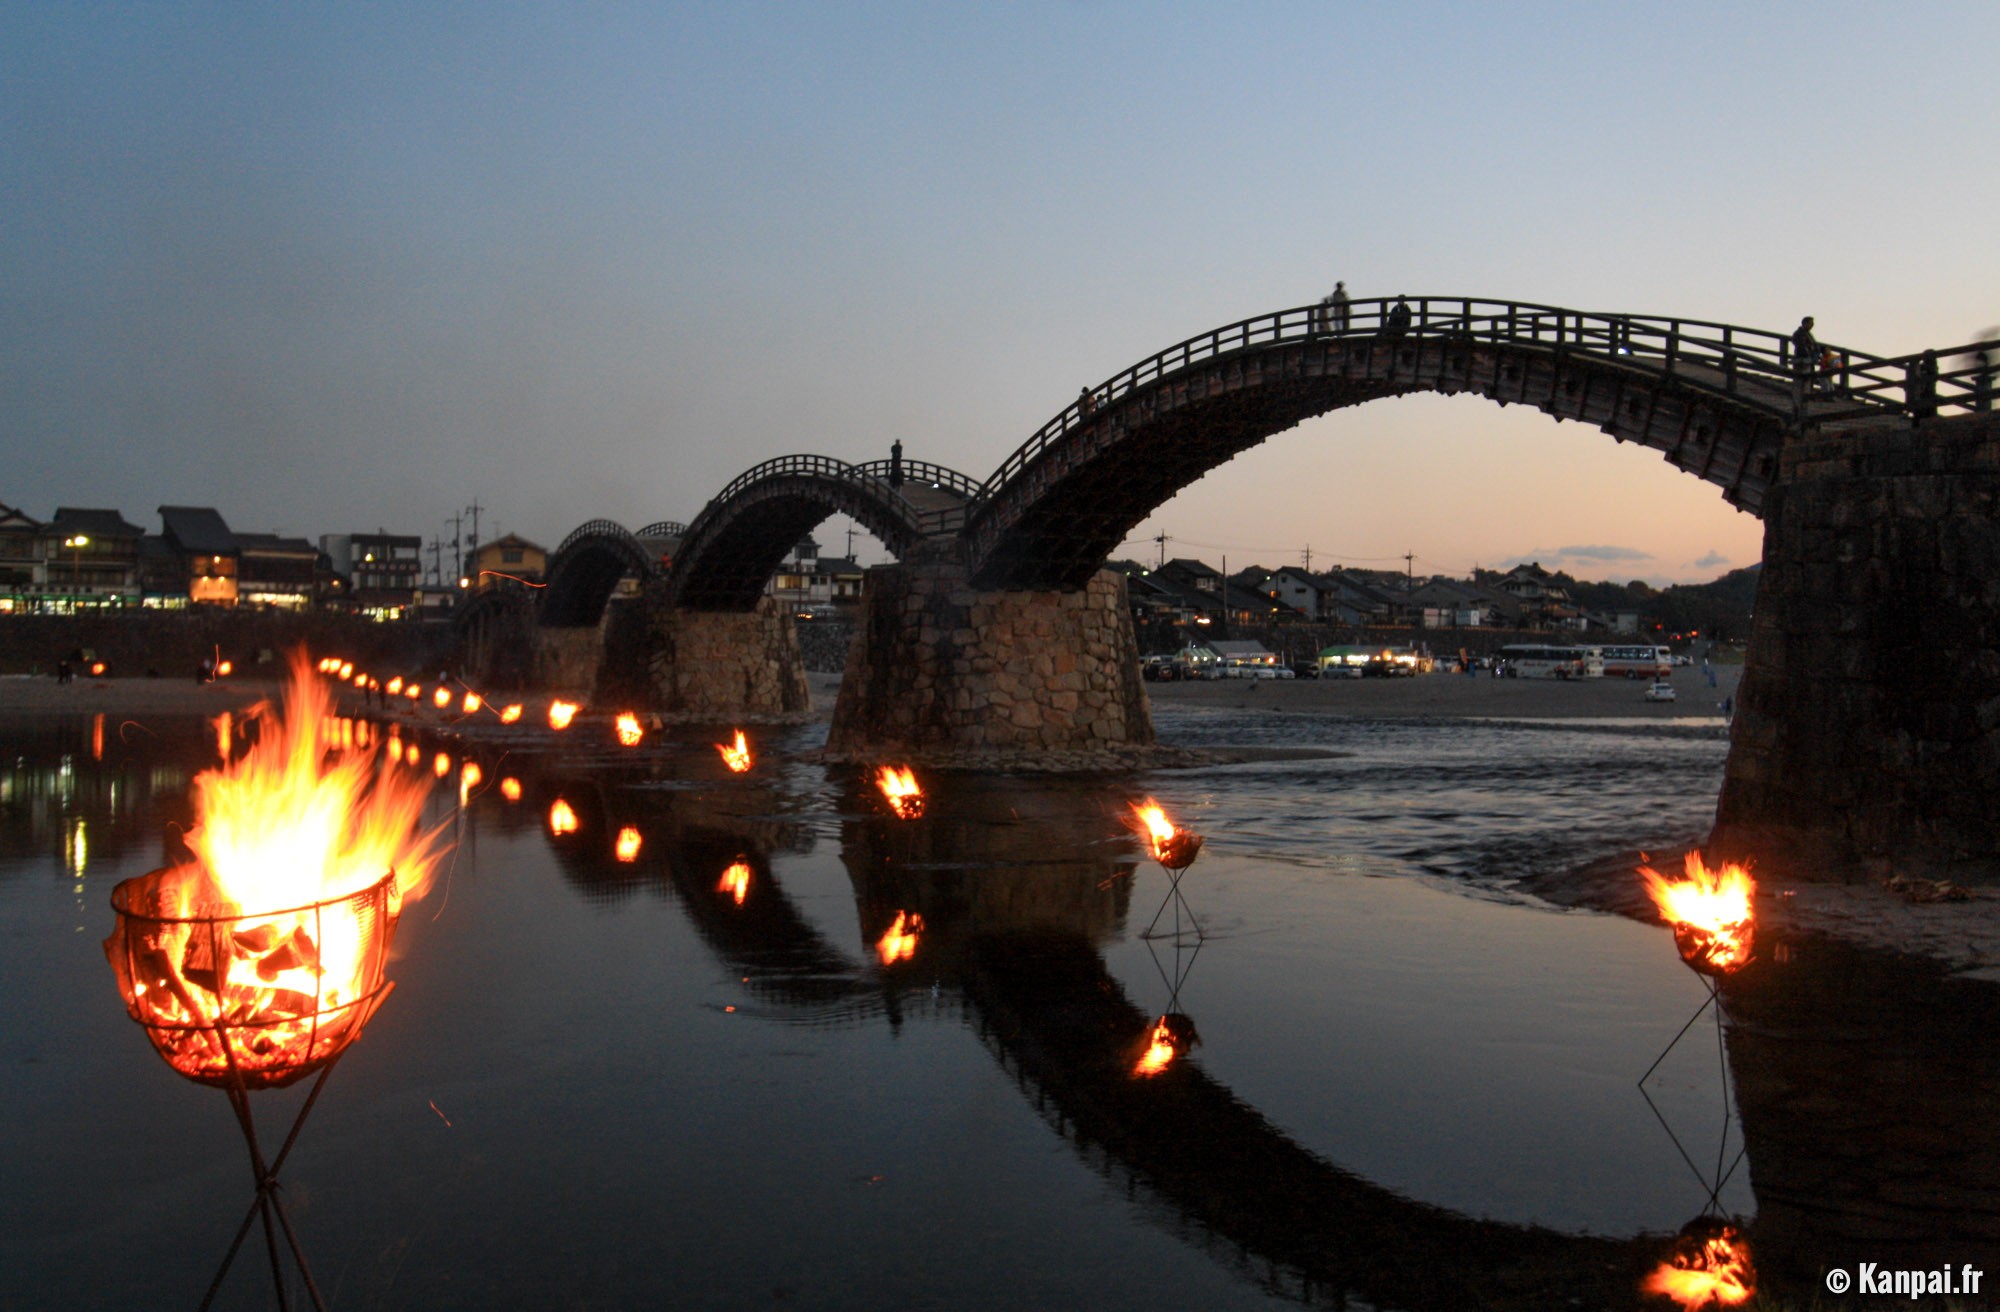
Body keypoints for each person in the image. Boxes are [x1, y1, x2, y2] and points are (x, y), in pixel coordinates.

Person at [1791, 316, 1818, 397]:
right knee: (1802, 378)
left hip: (1809, 358)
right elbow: (1801, 345)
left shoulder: (1808, 334)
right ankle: (1803, 395)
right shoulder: (1799, 333)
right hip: (1802, 358)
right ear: (1804, 323)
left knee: (1810, 377)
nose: (1812, 325)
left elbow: (1814, 345)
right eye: (1810, 323)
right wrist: (1808, 353)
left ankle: (1808, 393)